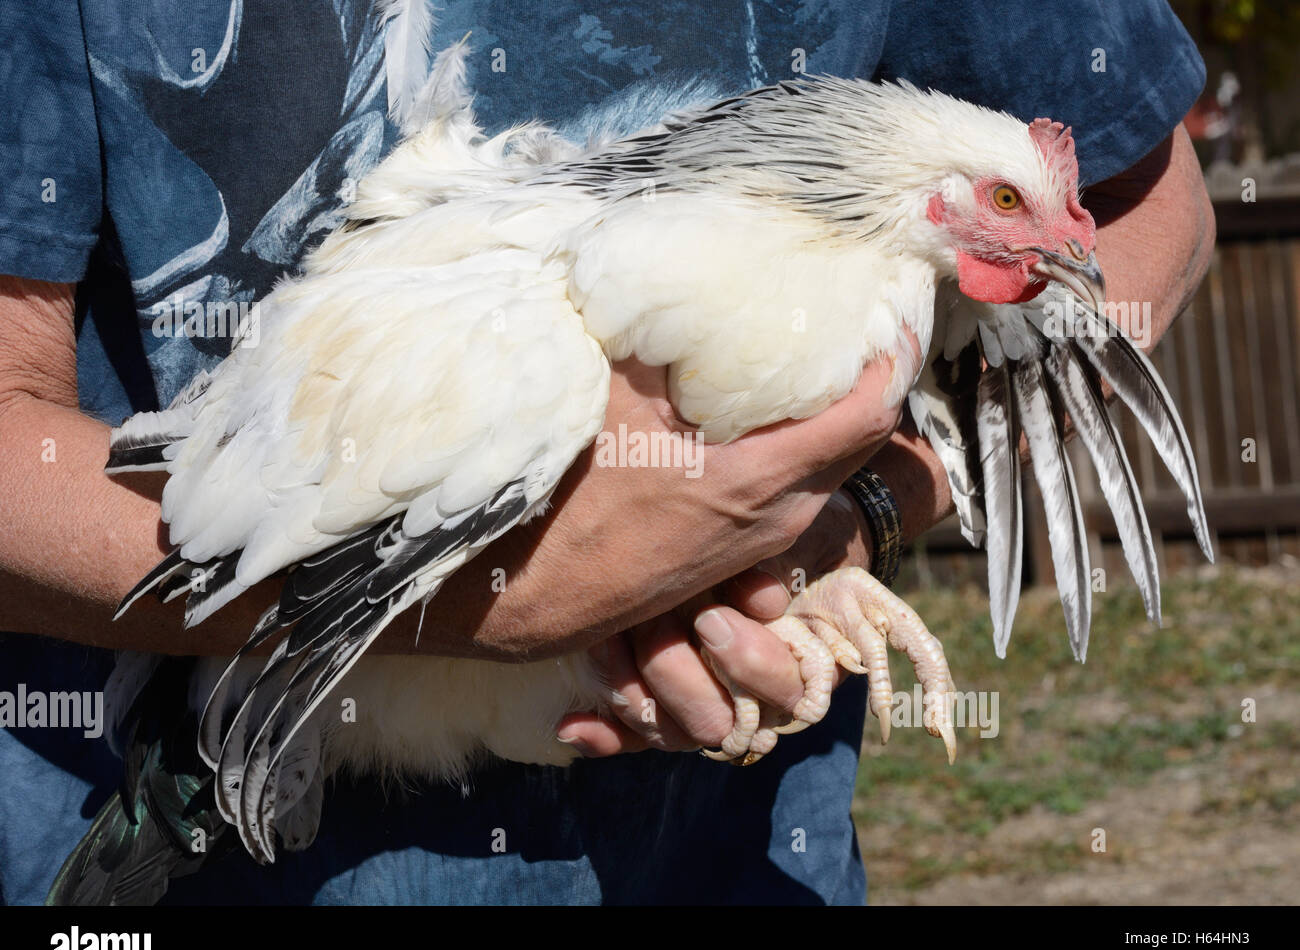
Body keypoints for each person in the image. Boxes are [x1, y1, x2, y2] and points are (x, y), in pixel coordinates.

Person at [0, 0, 1212, 904]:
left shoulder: (851, 267)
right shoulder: (523, 322)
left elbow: (1147, 218)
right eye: (1012, 213)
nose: (1055, 248)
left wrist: (852, 522)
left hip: (724, 862)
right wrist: (520, 599)